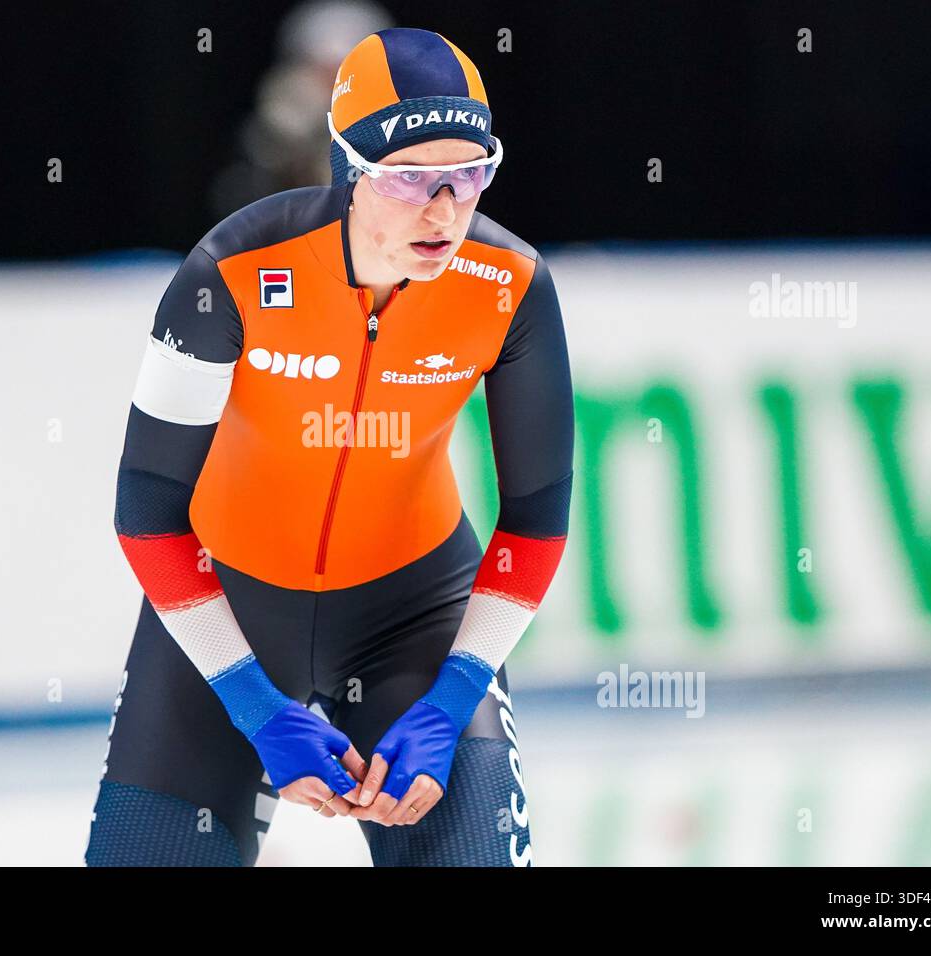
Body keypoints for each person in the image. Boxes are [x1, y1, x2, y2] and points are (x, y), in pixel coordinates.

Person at [86, 27, 574, 867]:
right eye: (412, 179)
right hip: (229, 607)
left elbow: (535, 517)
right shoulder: (230, 271)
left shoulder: (512, 287)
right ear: (350, 168)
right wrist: (249, 701)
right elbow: (148, 513)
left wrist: (453, 697)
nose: (446, 210)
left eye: (470, 175)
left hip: (413, 620)